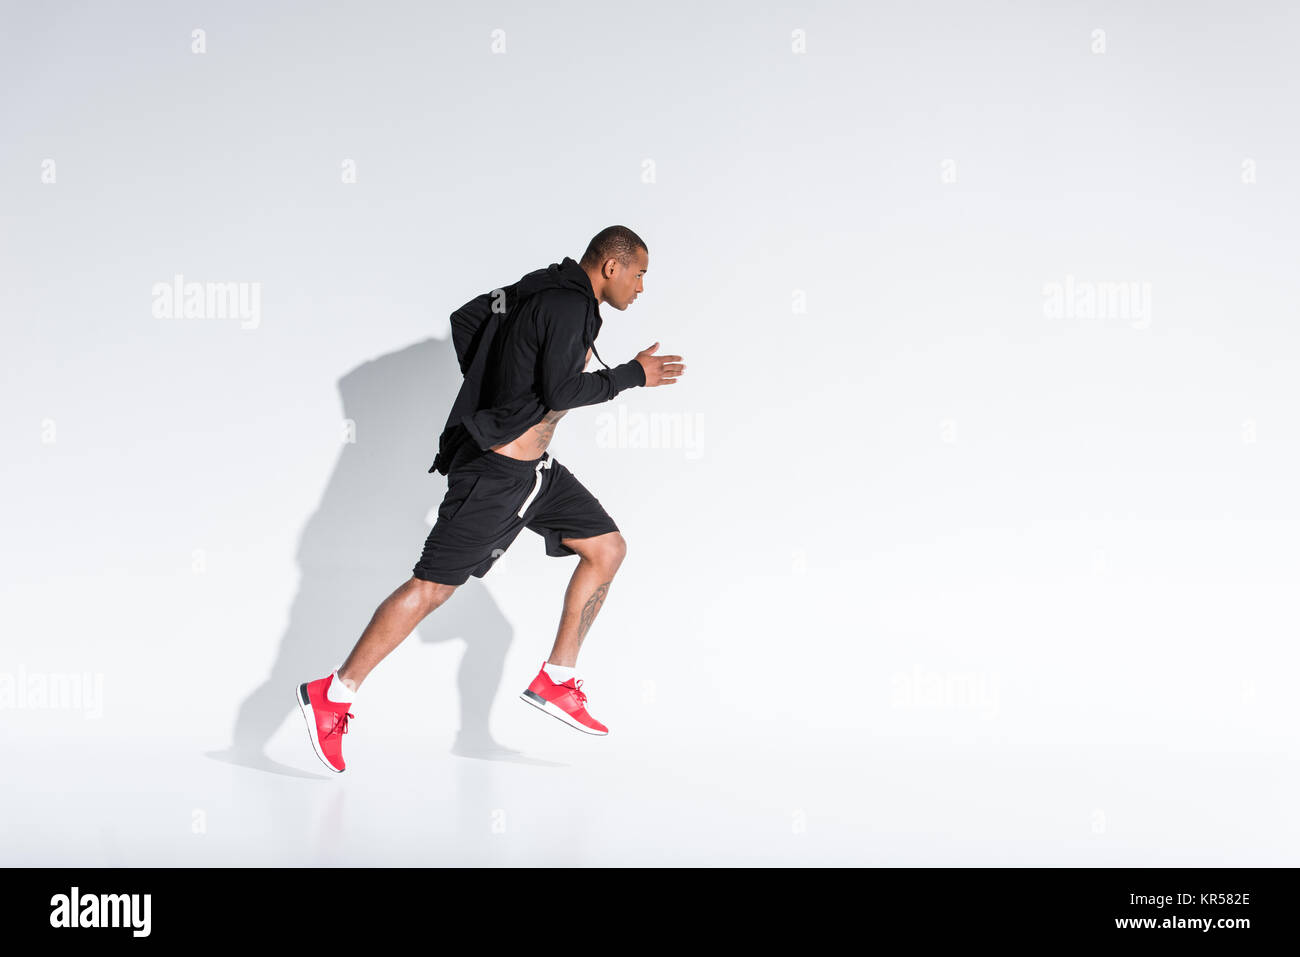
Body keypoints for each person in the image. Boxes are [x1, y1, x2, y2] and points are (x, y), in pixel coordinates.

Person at [295, 225, 684, 772]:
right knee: (431, 588)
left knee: (607, 547)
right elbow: (560, 392)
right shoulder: (567, 305)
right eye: (640, 274)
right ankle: (333, 694)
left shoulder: (540, 288)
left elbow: (466, 318)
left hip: (537, 474)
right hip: (495, 475)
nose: (641, 288)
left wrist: (498, 384)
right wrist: (631, 377)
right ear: (611, 267)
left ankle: (558, 678)